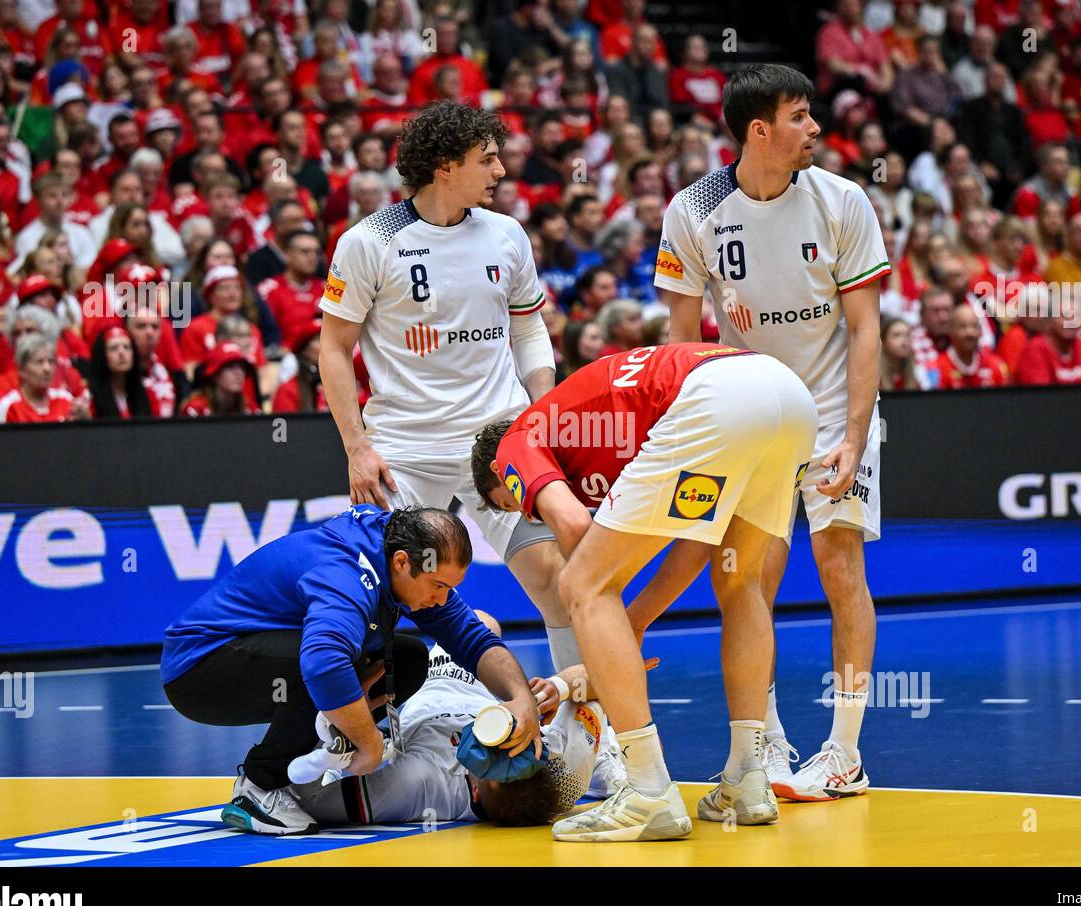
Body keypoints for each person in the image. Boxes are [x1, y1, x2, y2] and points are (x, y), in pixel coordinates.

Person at [313, 99, 623, 795]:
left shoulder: (507, 234)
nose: (499, 170)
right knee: (375, 601)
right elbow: (334, 349)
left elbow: (531, 331)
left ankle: (592, 738)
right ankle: (368, 733)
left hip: (499, 441)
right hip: (404, 447)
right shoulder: (370, 241)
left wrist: (541, 411)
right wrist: (357, 447)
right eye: (486, 158)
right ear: (444, 166)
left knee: (561, 579)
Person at [650, 64, 890, 802]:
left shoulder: (842, 200)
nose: (815, 127)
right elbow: (682, 343)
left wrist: (852, 435)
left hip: (830, 411)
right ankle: (768, 739)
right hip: (749, 414)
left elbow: (865, 329)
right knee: (745, 578)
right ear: (760, 130)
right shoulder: (694, 208)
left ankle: (844, 751)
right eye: (799, 115)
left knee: (840, 568)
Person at [470, 341, 817, 841]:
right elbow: (701, 541)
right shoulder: (612, 442)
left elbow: (571, 528)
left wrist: (603, 629)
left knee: (580, 584)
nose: (526, 513)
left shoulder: (515, 444)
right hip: (786, 395)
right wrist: (629, 624)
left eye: (511, 503)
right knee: (740, 580)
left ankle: (648, 790)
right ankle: (747, 777)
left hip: (718, 396)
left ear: (499, 478)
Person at [162, 505, 541, 835]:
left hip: (255, 653)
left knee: (406, 661)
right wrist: (371, 744)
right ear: (401, 564)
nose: (442, 599)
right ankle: (258, 787)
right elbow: (324, 663)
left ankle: (325, 746)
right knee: (328, 662)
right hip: (199, 669)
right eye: (438, 586)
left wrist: (521, 699)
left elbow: (471, 637)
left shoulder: (400, 550)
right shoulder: (347, 574)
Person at [295, 641, 608, 828]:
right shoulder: (563, 770)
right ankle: (606, 755)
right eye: (510, 742)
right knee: (485, 622)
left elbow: (311, 802)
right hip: (486, 693)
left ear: (475, 792)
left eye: (488, 752)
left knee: (365, 658)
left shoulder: (418, 784)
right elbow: (599, 683)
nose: (496, 737)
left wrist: (339, 717)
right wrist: (559, 687)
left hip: (436, 689)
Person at [0, 333, 89, 423]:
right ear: (21, 369)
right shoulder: (9, 407)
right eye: (39, 362)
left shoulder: (65, 399)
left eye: (51, 362)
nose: (47, 369)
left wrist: (85, 420)